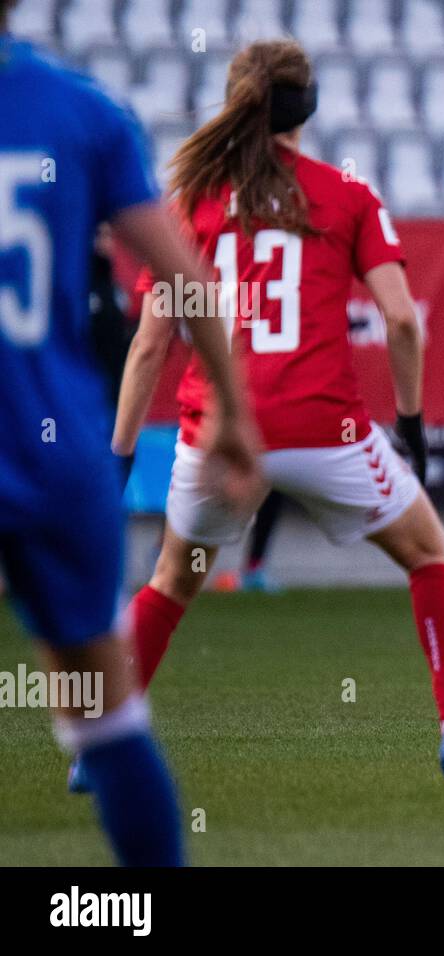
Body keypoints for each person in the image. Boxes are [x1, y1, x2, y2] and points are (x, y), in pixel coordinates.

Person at [103, 39, 444, 793]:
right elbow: (401, 322)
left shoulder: (192, 202)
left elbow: (152, 342)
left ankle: (98, 746)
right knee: (430, 556)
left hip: (219, 438)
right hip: (327, 433)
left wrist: (120, 454)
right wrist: (413, 423)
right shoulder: (346, 195)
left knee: (169, 583)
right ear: (309, 108)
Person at [0, 1, 261, 864]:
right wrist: (234, 411)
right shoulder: (82, 111)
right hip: (53, 458)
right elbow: (183, 279)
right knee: (105, 716)